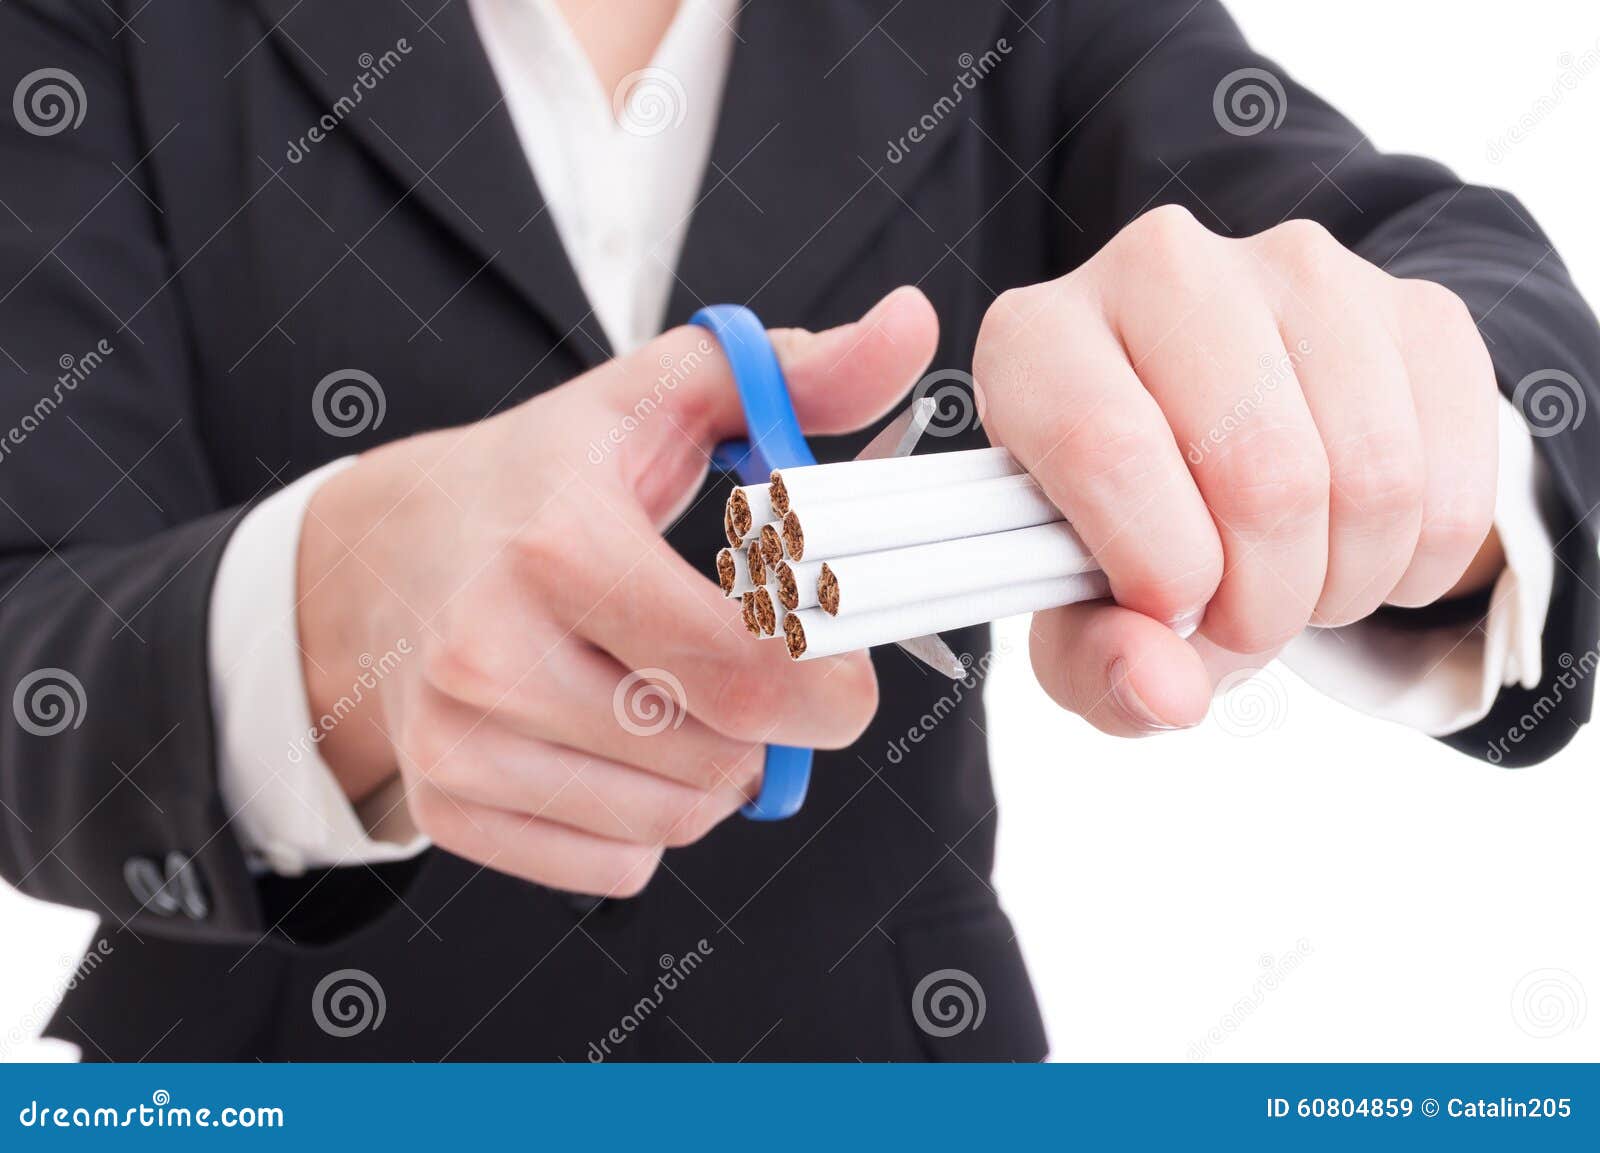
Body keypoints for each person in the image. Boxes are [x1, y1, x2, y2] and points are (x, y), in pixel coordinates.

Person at [0, 0, 1594, 1061]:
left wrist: (1404, 437)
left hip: (882, 1056)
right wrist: (325, 610)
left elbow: (1450, 283)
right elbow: (28, 630)